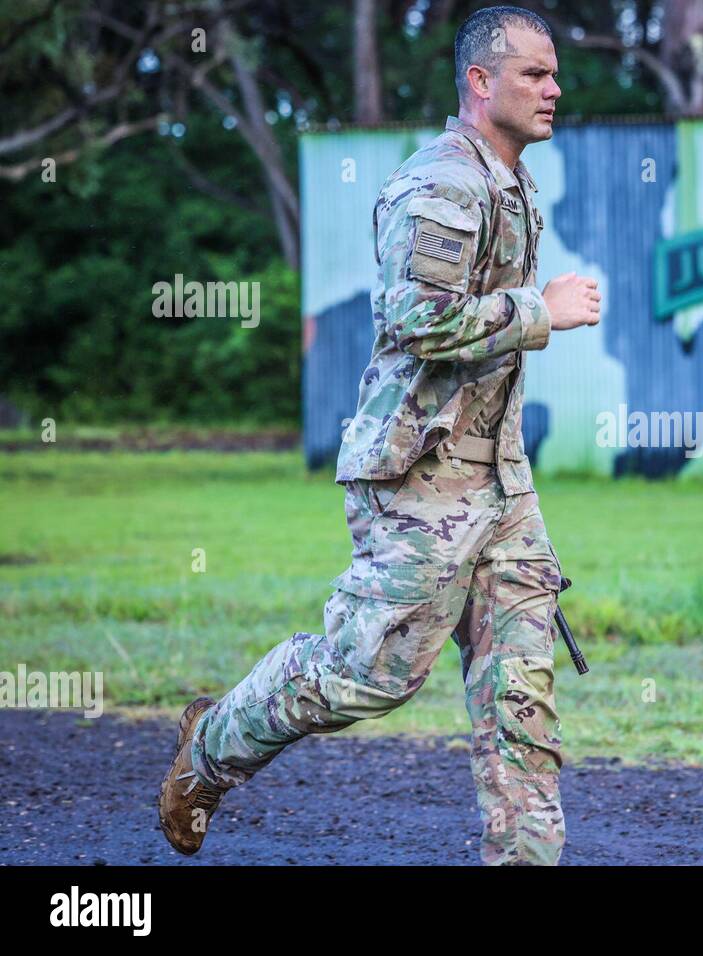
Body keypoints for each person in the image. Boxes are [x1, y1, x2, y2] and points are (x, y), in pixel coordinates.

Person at [157, 4, 601, 866]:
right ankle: (212, 744)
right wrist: (537, 311)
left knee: (522, 707)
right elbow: (414, 321)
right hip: (419, 482)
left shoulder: (508, 182)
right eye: (533, 74)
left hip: (501, 487)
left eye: (553, 74)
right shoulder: (442, 182)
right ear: (481, 82)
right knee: (367, 677)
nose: (554, 89)